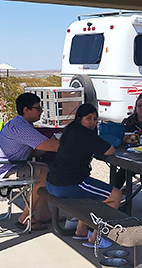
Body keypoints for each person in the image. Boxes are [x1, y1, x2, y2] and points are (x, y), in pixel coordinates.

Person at [46, 103, 122, 247]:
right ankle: (97, 236)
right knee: (116, 195)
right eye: (89, 118)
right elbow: (110, 150)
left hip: (52, 183)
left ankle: (81, 230)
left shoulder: (70, 130)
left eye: (95, 119)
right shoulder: (85, 134)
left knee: (90, 194)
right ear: (80, 118)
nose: (93, 122)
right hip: (69, 183)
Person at [0, 92, 59, 229]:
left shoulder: (19, 123)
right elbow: (53, 147)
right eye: (38, 108)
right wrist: (68, 140)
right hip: (0, 171)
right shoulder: (22, 127)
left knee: (45, 168)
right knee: (44, 174)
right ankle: (25, 217)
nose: (41, 111)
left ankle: (44, 213)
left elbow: (34, 151)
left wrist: (50, 144)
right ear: (26, 109)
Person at [114, 92, 142, 212]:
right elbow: (121, 138)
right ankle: (112, 197)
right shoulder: (129, 122)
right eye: (140, 105)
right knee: (122, 172)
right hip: (130, 156)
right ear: (136, 109)